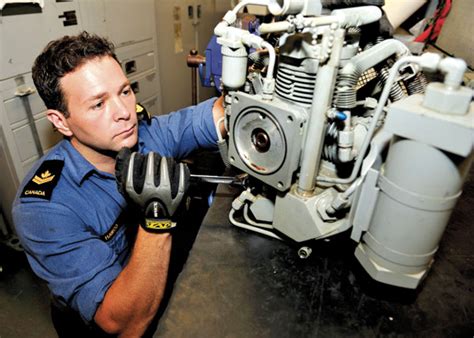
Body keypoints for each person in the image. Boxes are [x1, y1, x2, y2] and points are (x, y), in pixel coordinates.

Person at [12, 31, 225, 337]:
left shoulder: (143, 135)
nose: (124, 113)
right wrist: (156, 218)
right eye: (98, 104)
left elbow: (212, 116)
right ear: (60, 121)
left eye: (124, 91)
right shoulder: (43, 207)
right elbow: (122, 324)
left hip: (156, 279)